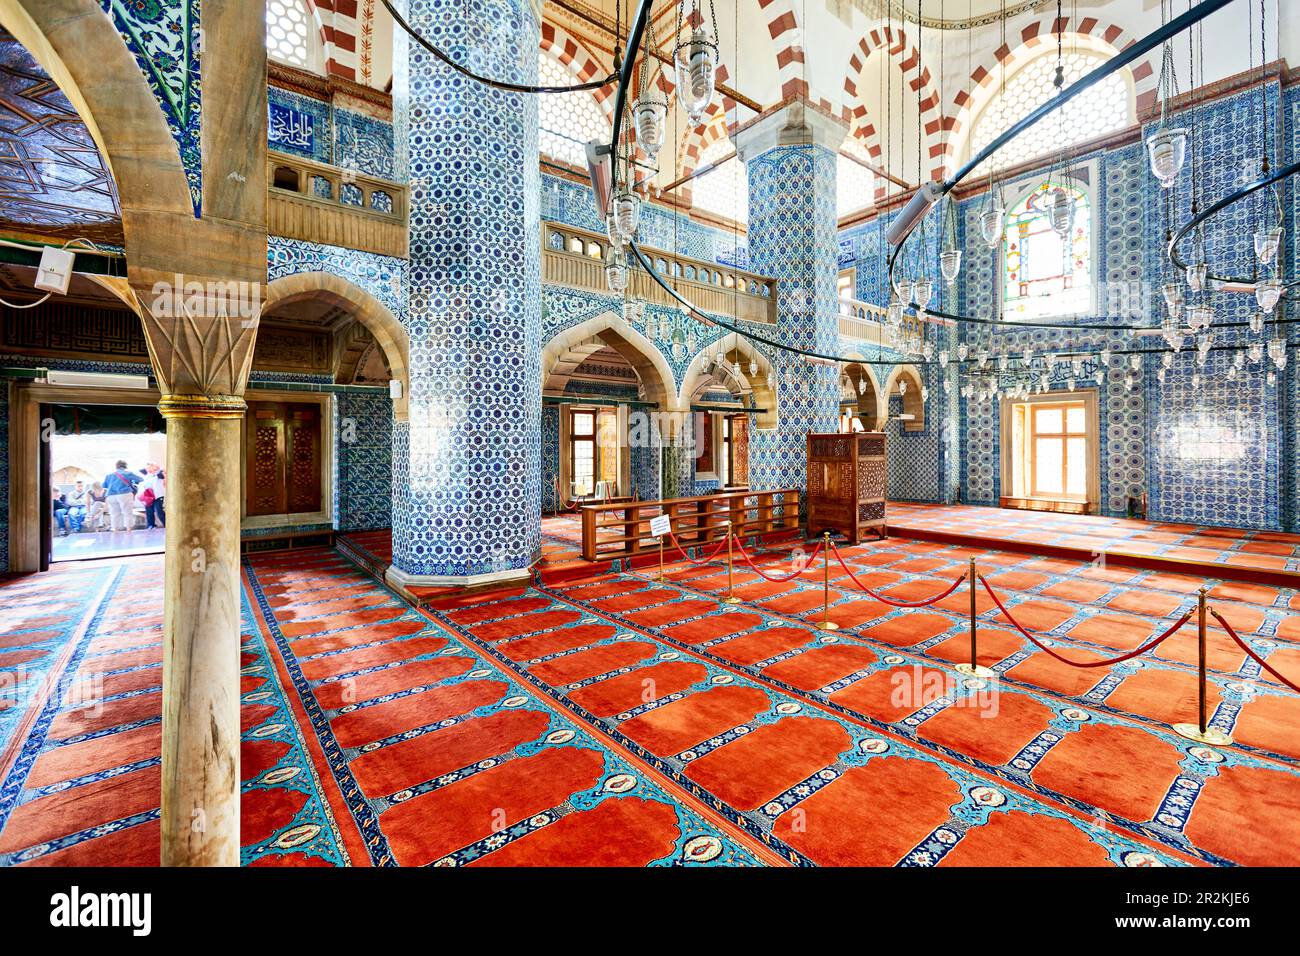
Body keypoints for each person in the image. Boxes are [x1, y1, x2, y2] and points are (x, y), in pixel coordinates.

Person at [103, 460, 140, 532]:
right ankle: (128, 529)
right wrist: (131, 482)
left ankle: (115, 529)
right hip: (124, 494)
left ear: (116, 466)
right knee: (127, 512)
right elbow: (140, 479)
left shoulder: (109, 475)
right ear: (125, 466)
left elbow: (104, 486)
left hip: (111, 496)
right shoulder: (128, 473)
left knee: (114, 513)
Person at [140, 464, 166, 530]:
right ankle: (151, 525)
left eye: (153, 468)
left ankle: (166, 524)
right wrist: (148, 466)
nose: (151, 469)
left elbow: (161, 475)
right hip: (149, 496)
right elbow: (141, 470)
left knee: (159, 511)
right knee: (149, 510)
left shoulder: (159, 475)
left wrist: (157, 468)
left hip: (158, 496)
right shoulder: (147, 476)